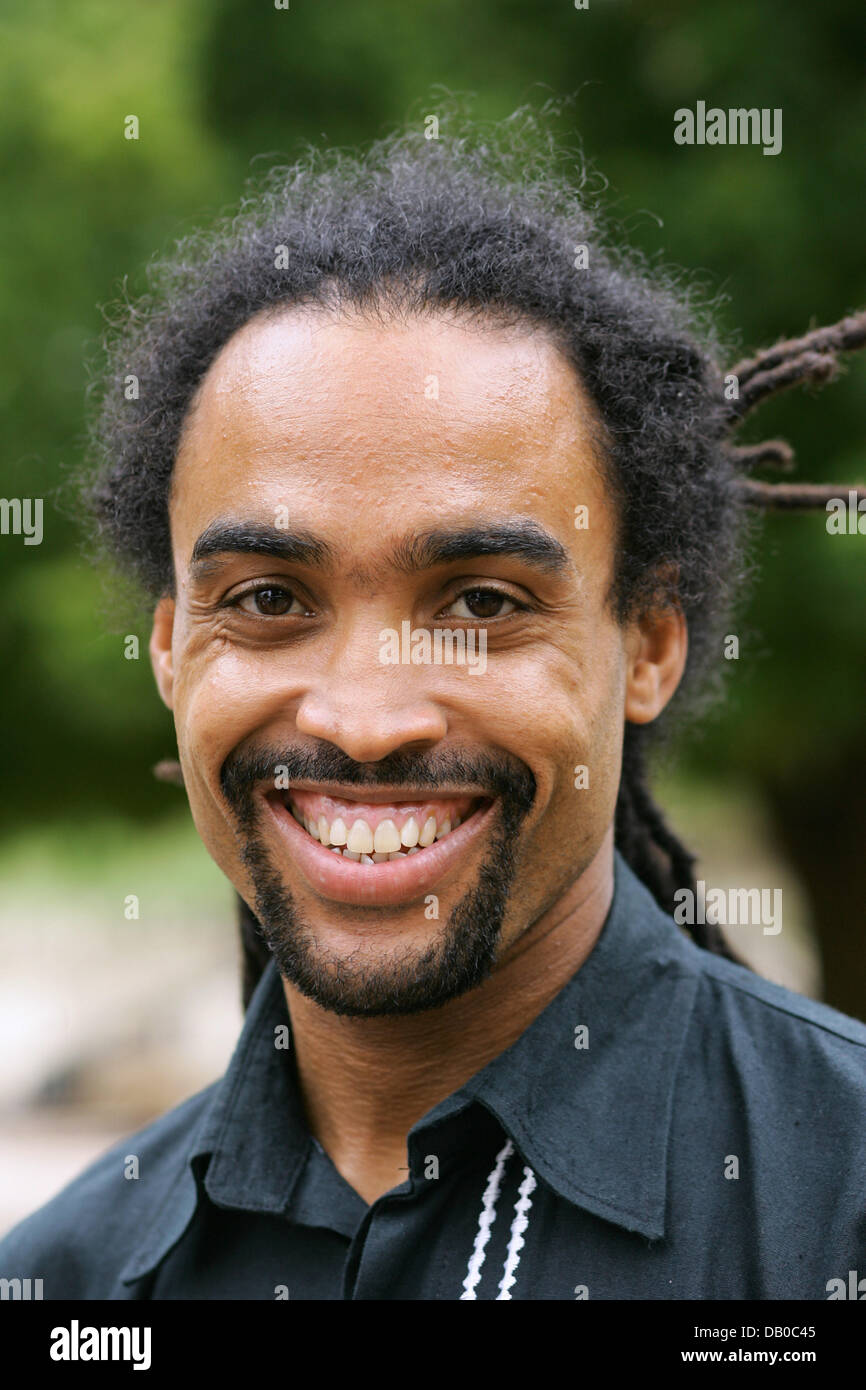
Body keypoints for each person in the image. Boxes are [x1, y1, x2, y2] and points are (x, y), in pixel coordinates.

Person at [2, 111, 865, 1301]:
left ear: (648, 643)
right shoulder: (68, 1283)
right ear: (168, 650)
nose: (362, 719)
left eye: (477, 598)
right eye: (265, 596)